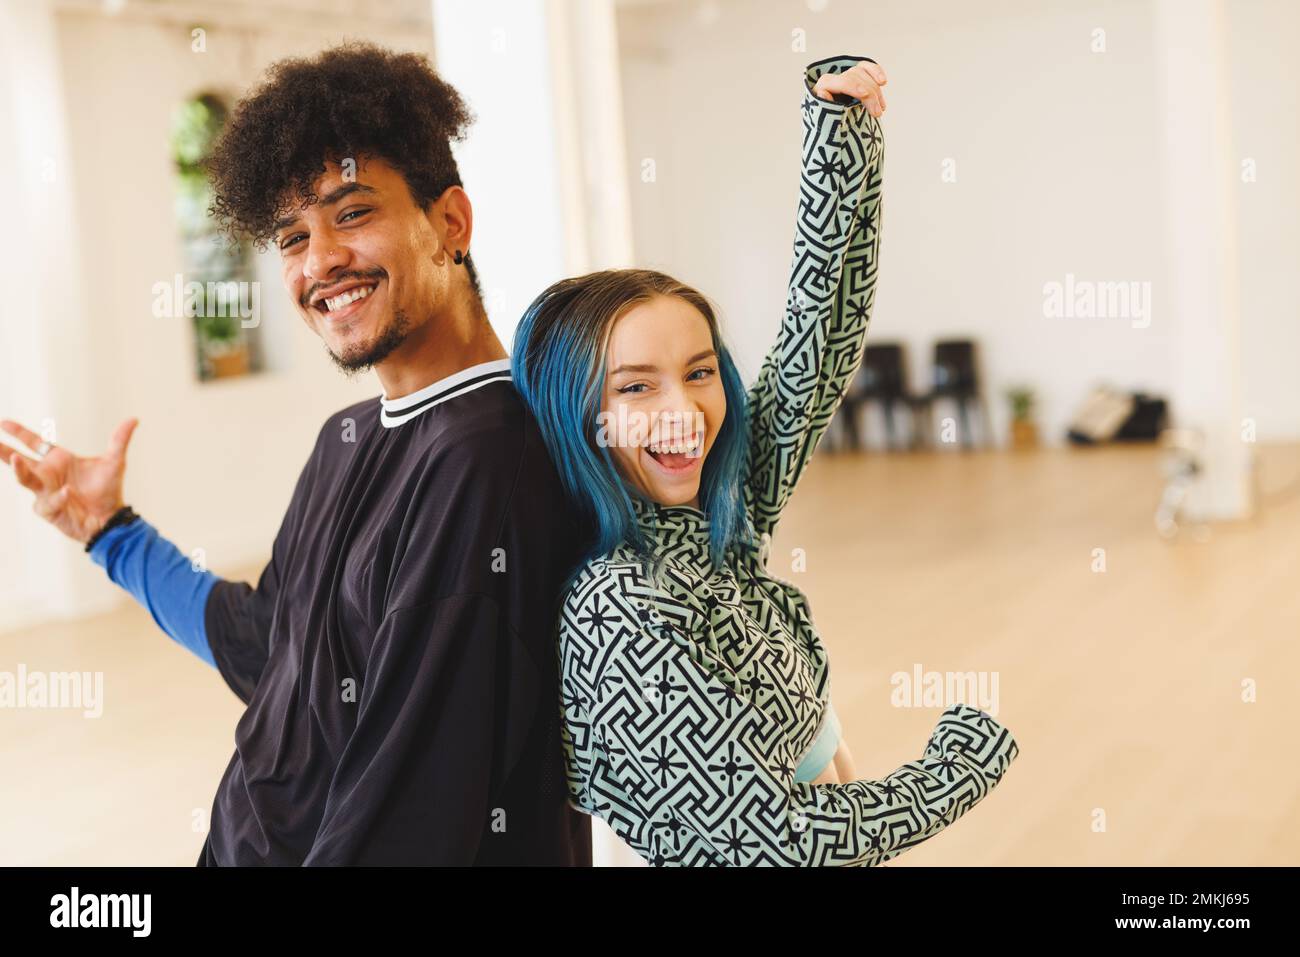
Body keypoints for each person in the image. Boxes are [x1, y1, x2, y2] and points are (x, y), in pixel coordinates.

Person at [1, 42, 591, 866]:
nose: (320, 262)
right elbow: (272, 650)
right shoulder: (345, 442)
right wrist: (113, 533)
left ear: (449, 222)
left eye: (352, 213)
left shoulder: (490, 457)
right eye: (290, 236)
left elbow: (416, 805)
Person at [510, 54, 1020, 866]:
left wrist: (840, 134)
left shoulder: (716, 518)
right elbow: (773, 839)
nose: (684, 411)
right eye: (635, 387)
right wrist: (952, 769)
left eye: (700, 371)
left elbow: (823, 334)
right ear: (576, 416)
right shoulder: (620, 608)